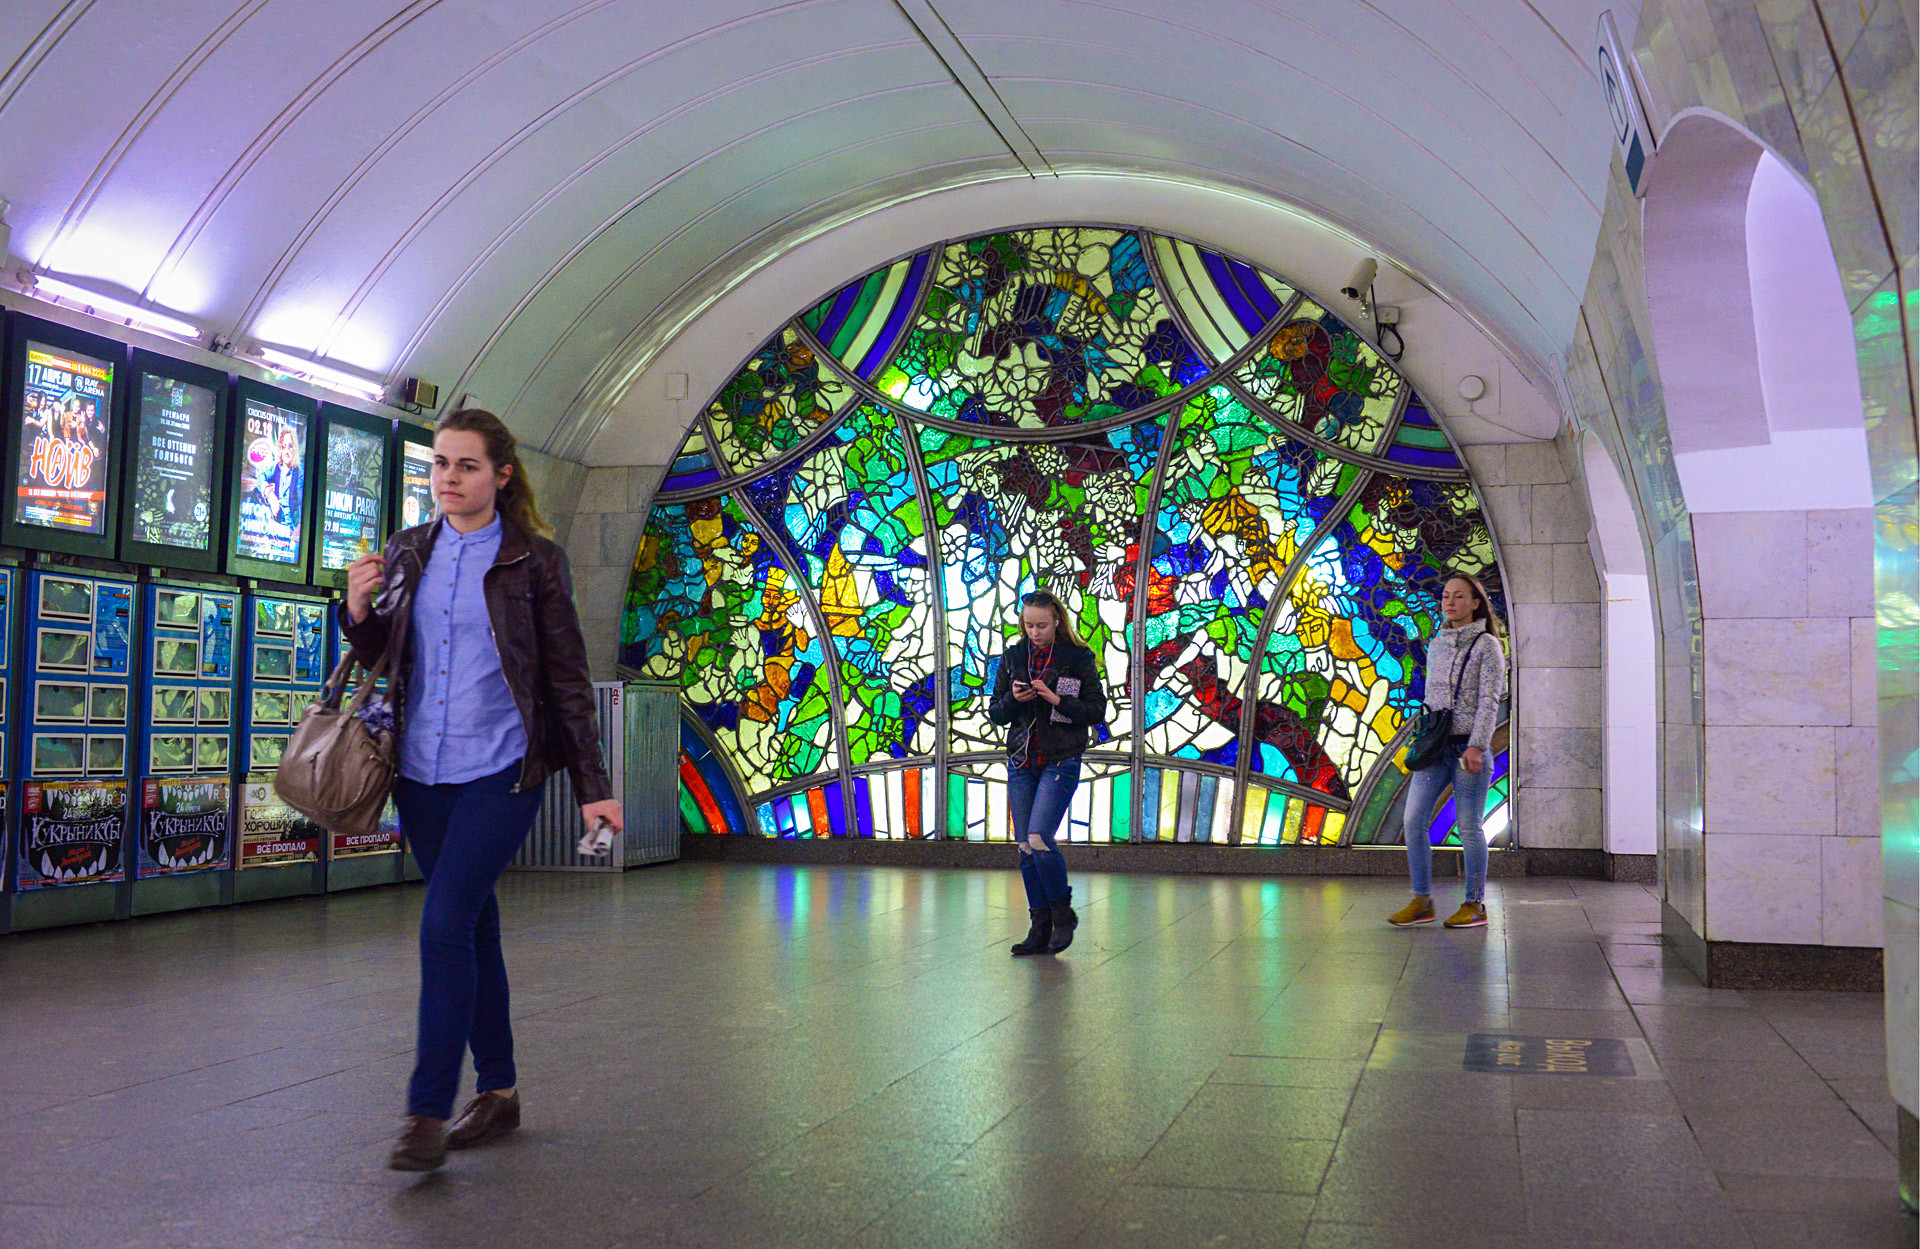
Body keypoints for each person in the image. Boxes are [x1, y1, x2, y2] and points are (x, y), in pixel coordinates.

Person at [342, 407, 620, 1172]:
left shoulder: (536, 561)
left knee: (443, 924)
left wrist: (595, 786)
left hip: (502, 768)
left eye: (466, 465)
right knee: (474, 925)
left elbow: (567, 679)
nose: (450, 478)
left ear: (501, 474)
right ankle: (499, 1091)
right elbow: (387, 655)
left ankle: (426, 1111)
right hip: (418, 772)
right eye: (440, 463)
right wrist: (357, 611)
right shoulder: (409, 551)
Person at [987, 590, 1106, 956]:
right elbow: (996, 712)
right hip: (1022, 760)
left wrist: (1057, 700)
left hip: (1060, 759)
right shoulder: (1013, 657)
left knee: (1039, 837)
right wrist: (1014, 699)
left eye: (1041, 625)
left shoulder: (1078, 658)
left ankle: (1062, 912)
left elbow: (1096, 711)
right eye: (1028, 625)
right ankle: (1039, 927)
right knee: (1025, 846)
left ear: (1056, 620)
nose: (1034, 632)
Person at [1388, 574, 1508, 930]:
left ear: (1475, 603)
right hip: (1435, 748)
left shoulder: (1487, 645)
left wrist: (1478, 745)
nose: (1450, 602)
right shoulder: (1437, 643)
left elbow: (1489, 700)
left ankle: (1475, 904)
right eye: (1445, 596)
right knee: (1413, 820)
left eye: (1459, 596)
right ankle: (1422, 901)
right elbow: (1432, 697)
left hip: (1468, 749)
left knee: (1469, 827)